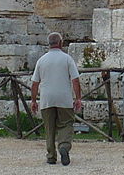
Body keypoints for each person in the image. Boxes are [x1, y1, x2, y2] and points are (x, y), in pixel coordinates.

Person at [30, 32, 82, 166]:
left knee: (49, 128)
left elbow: (35, 83)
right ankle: (64, 146)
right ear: (60, 43)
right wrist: (78, 98)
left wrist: (34, 101)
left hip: (47, 98)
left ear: (49, 44)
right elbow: (75, 80)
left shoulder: (41, 60)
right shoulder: (67, 59)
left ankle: (51, 156)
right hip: (64, 97)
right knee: (66, 124)